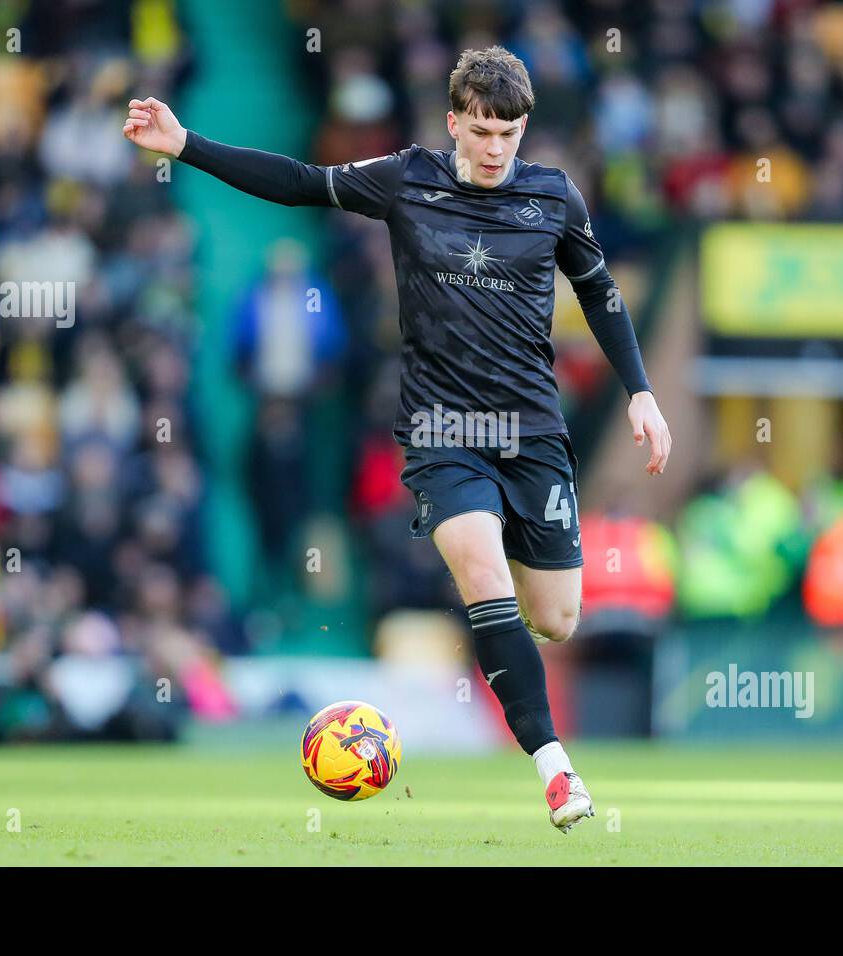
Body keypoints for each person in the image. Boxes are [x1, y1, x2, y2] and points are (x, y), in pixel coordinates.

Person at [123, 45, 671, 832]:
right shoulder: (408, 178)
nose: (493, 149)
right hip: (443, 432)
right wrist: (187, 146)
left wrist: (642, 392)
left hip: (534, 435)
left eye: (509, 134)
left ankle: (510, 631)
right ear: (454, 122)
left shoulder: (555, 198)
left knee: (555, 618)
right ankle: (556, 770)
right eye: (481, 131)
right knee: (482, 573)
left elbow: (602, 293)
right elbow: (301, 184)